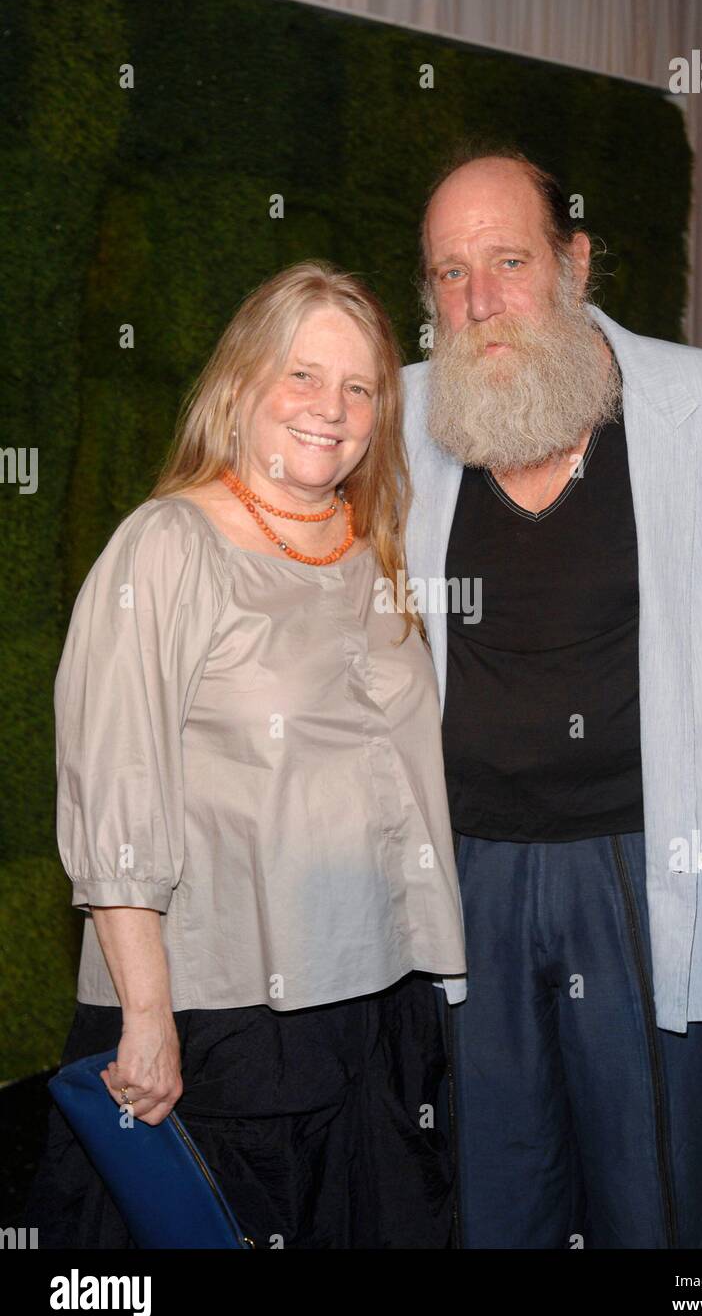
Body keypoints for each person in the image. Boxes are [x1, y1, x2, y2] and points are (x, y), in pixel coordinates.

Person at [400, 142, 702, 1248]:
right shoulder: (394, 425)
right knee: (497, 1195)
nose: (480, 300)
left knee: (663, 1200)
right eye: (449, 273)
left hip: (646, 865)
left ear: (573, 260)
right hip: (467, 874)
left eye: (506, 259)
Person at [25, 260, 467, 1249]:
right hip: (221, 1021)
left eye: (360, 387)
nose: (332, 407)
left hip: (374, 1007)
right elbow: (115, 797)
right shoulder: (166, 546)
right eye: (301, 375)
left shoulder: (372, 550)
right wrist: (146, 1019)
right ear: (239, 387)